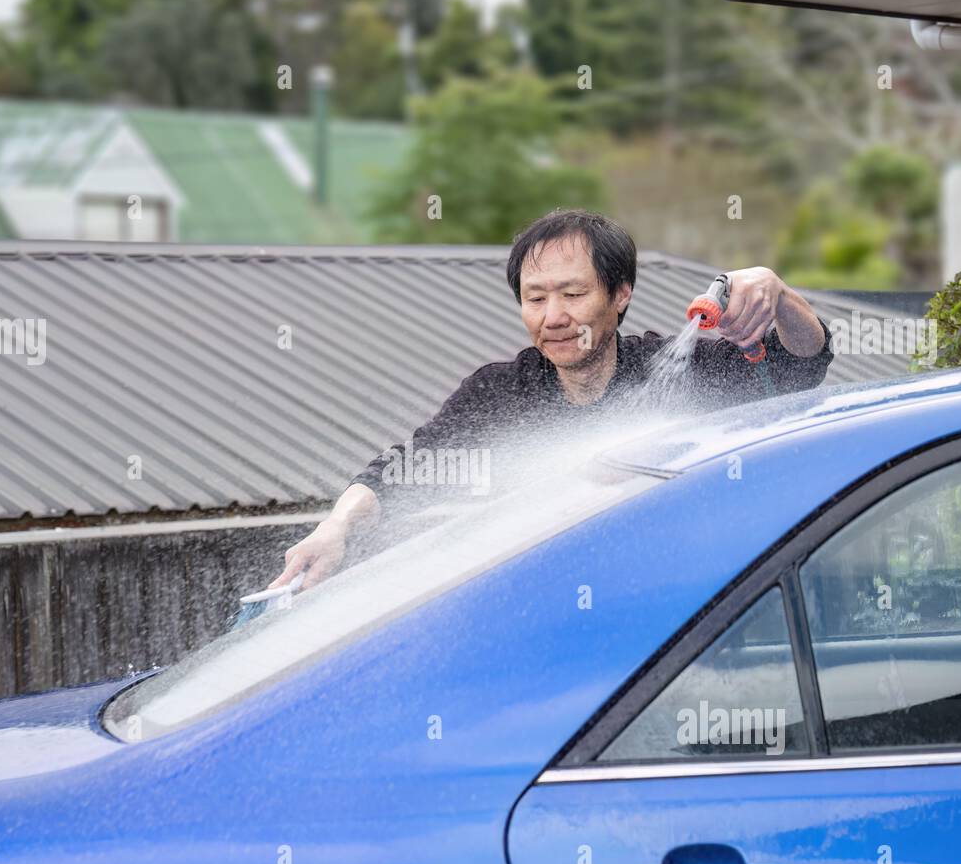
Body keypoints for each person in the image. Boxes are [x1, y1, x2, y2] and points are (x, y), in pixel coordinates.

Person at [270, 208, 834, 591]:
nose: (553, 317)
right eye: (535, 298)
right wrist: (335, 528)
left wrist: (776, 292)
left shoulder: (682, 372)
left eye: (572, 293)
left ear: (620, 295)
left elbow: (802, 363)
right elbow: (404, 468)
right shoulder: (498, 393)